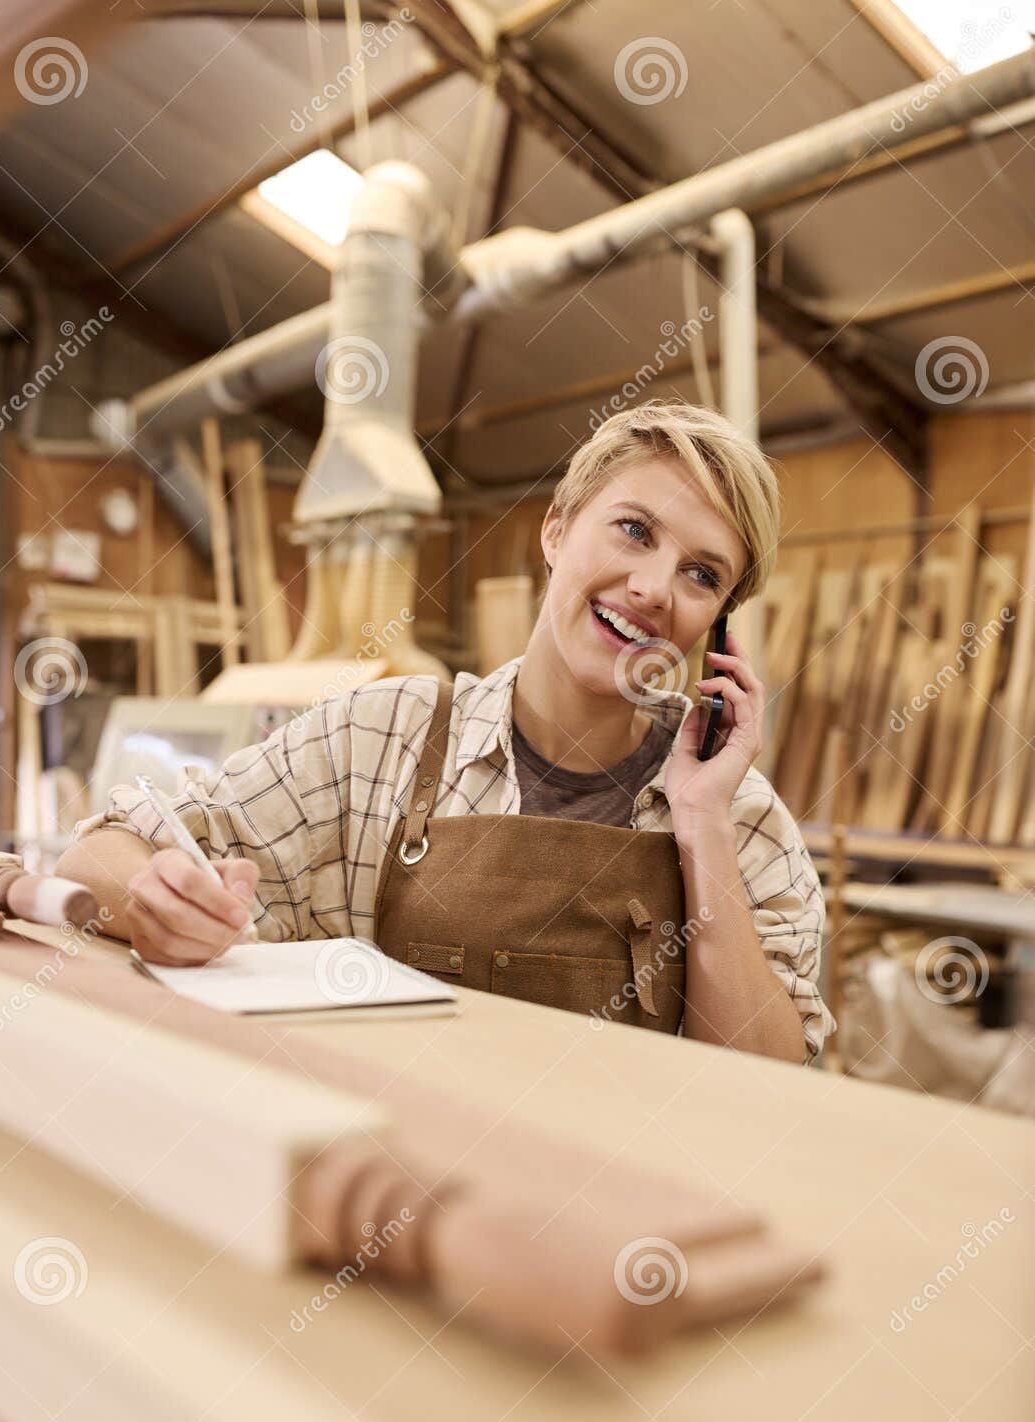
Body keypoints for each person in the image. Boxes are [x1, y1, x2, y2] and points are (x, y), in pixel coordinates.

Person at [59, 399, 836, 1064]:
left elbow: (767, 1078)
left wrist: (701, 828)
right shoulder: (383, 737)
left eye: (703, 574)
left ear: (719, 623)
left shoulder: (740, 817)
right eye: (634, 530)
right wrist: (153, 899)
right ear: (556, 532)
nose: (654, 587)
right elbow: (97, 850)